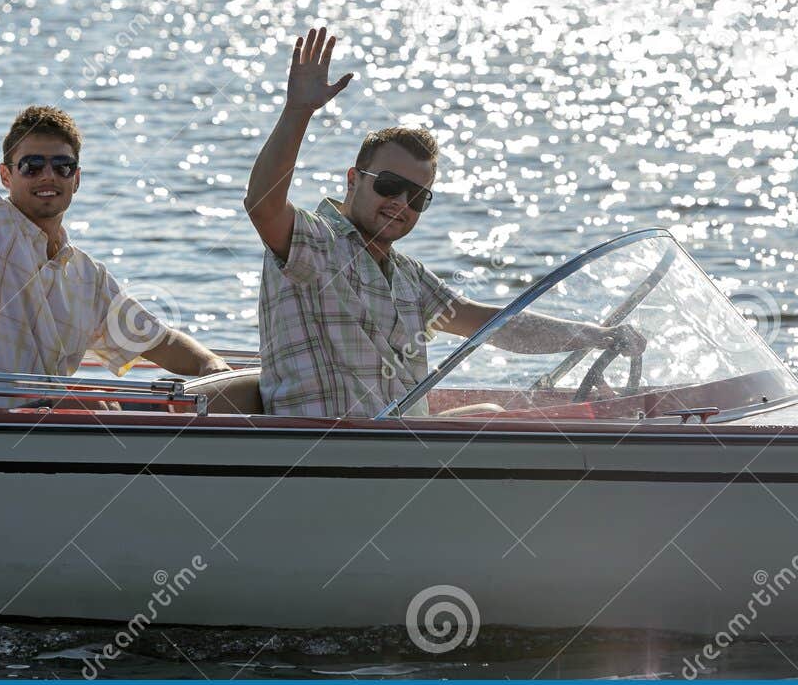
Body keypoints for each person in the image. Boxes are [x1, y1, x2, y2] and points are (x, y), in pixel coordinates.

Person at [244, 26, 644, 418]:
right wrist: (298, 111)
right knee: (498, 425)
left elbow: (494, 325)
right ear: (353, 180)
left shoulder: (406, 274)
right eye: (389, 185)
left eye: (417, 196)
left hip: (401, 451)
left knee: (492, 413)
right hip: (326, 453)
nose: (400, 203)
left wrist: (596, 335)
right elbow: (262, 204)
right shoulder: (314, 241)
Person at [0, 0, 228, 406]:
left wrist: (211, 369)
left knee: (109, 407)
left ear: (77, 179)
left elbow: (159, 341)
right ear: (6, 174)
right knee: (99, 405)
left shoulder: (87, 277)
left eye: (62, 166)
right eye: (32, 165)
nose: (49, 175)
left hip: (39, 447)